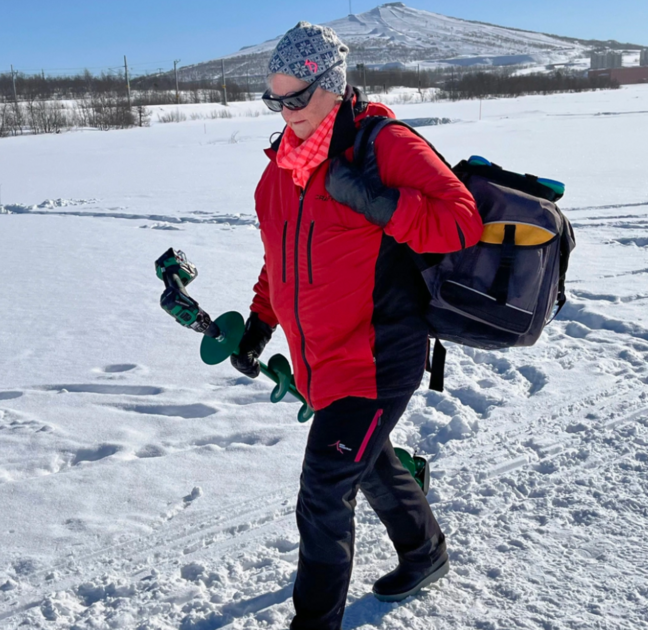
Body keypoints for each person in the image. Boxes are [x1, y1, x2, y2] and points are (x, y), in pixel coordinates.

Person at [232, 21, 483, 630]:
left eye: (297, 96)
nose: (286, 111)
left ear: (332, 84)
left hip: (378, 357)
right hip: (321, 360)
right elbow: (282, 258)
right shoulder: (281, 168)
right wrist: (260, 321)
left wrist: (377, 201)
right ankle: (425, 552)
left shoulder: (383, 145)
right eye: (274, 99)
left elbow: (462, 222)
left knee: (324, 490)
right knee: (370, 461)